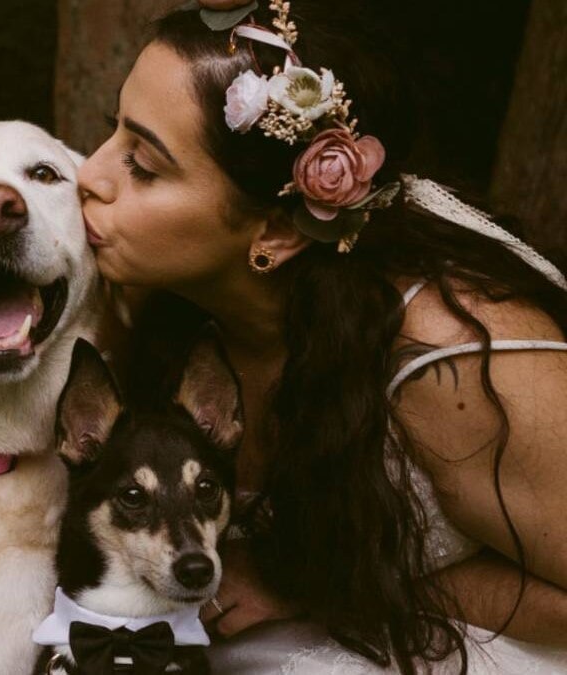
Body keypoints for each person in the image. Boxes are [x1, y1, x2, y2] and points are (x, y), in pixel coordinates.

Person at [77, 0, 567, 672]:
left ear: (277, 231)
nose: (89, 174)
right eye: (111, 132)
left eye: (143, 164)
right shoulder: (157, 297)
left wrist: (319, 587)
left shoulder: (452, 361)